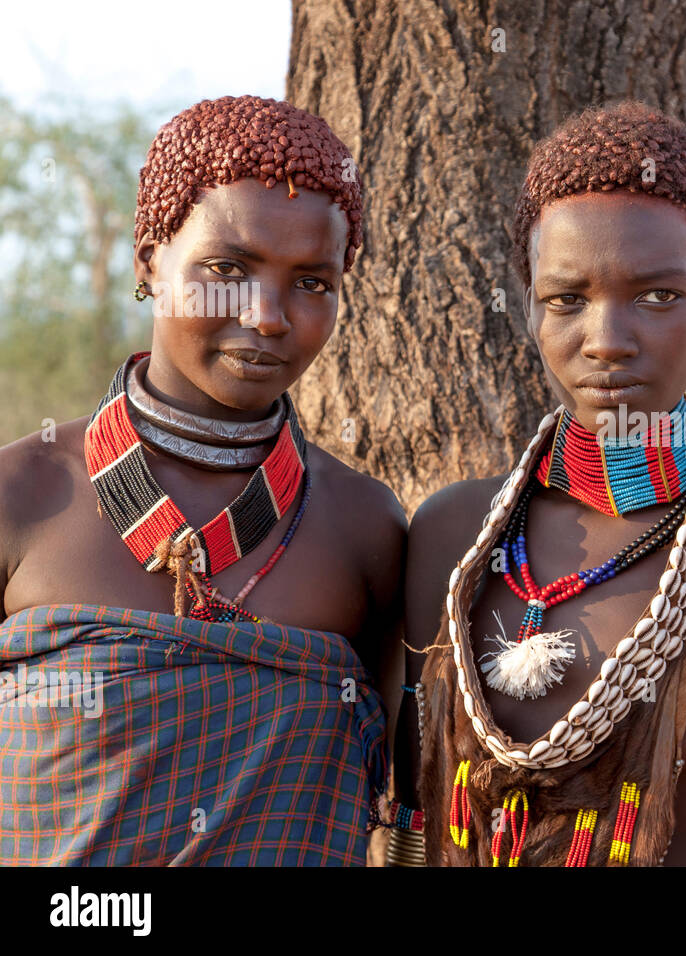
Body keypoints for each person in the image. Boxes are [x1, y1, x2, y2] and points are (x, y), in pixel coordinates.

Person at [391, 101, 686, 867]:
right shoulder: (452, 535)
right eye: (567, 299)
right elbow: (414, 827)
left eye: (657, 297)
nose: (606, 340)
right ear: (530, 300)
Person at [0, 95, 405, 865]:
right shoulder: (21, 498)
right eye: (227, 270)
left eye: (313, 282)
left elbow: (396, 791)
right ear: (149, 262)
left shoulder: (363, 529)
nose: (269, 317)